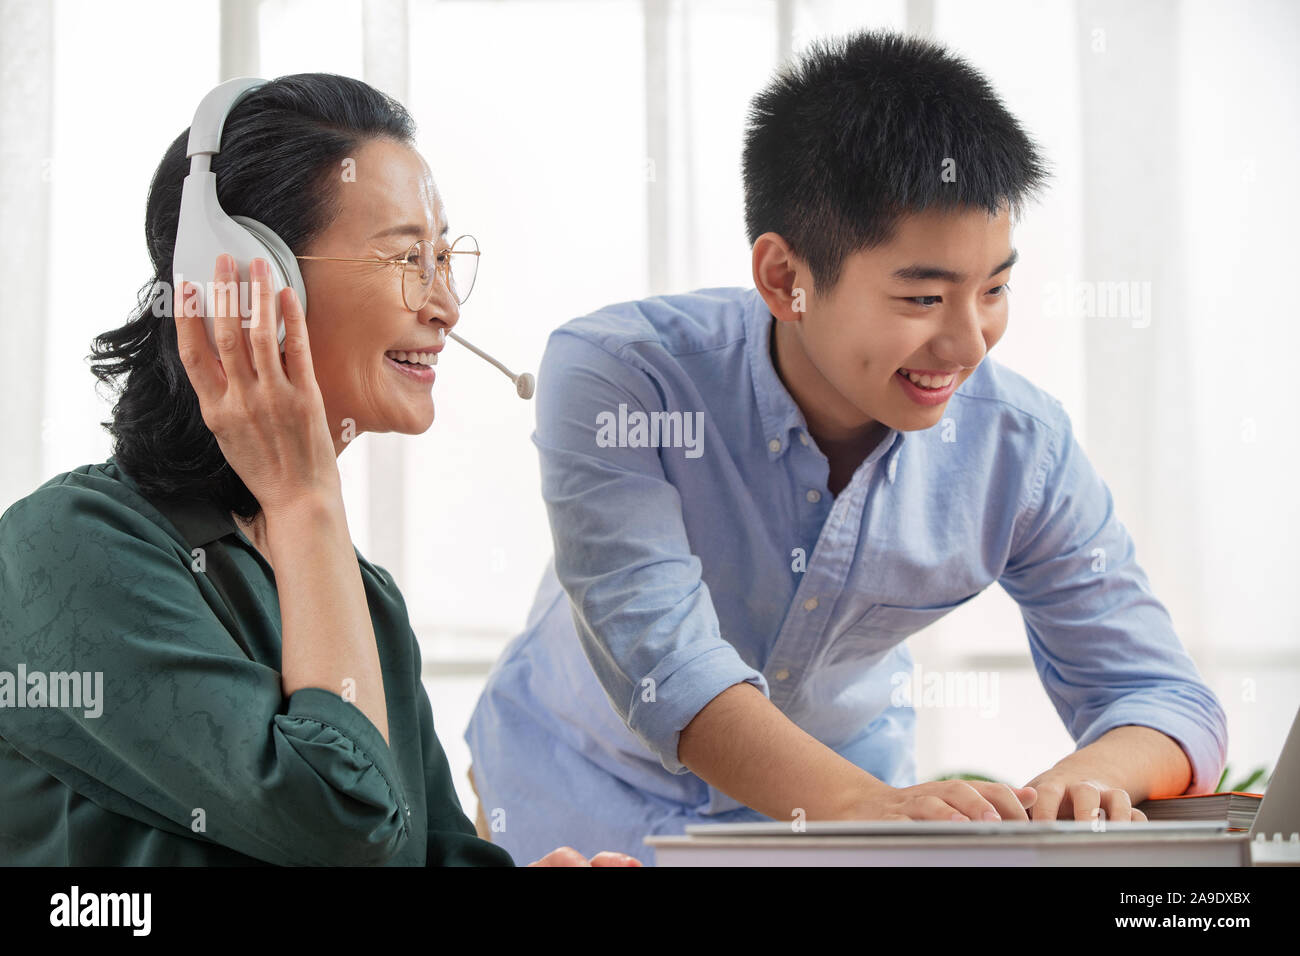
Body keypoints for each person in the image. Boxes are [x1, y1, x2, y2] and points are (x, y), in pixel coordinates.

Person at [465, 29, 1228, 865]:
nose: (970, 343)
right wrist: (864, 809)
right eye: (925, 296)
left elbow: (1162, 694)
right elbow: (669, 665)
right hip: (578, 792)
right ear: (784, 279)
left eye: (996, 289)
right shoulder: (620, 376)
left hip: (849, 809)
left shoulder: (1021, 446)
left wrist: (1079, 783)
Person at [0, 73, 638, 867]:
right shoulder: (68, 550)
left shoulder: (359, 596)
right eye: (408, 257)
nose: (445, 304)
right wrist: (305, 499)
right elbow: (344, 833)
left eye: (444, 257)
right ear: (250, 281)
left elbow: (420, 852)